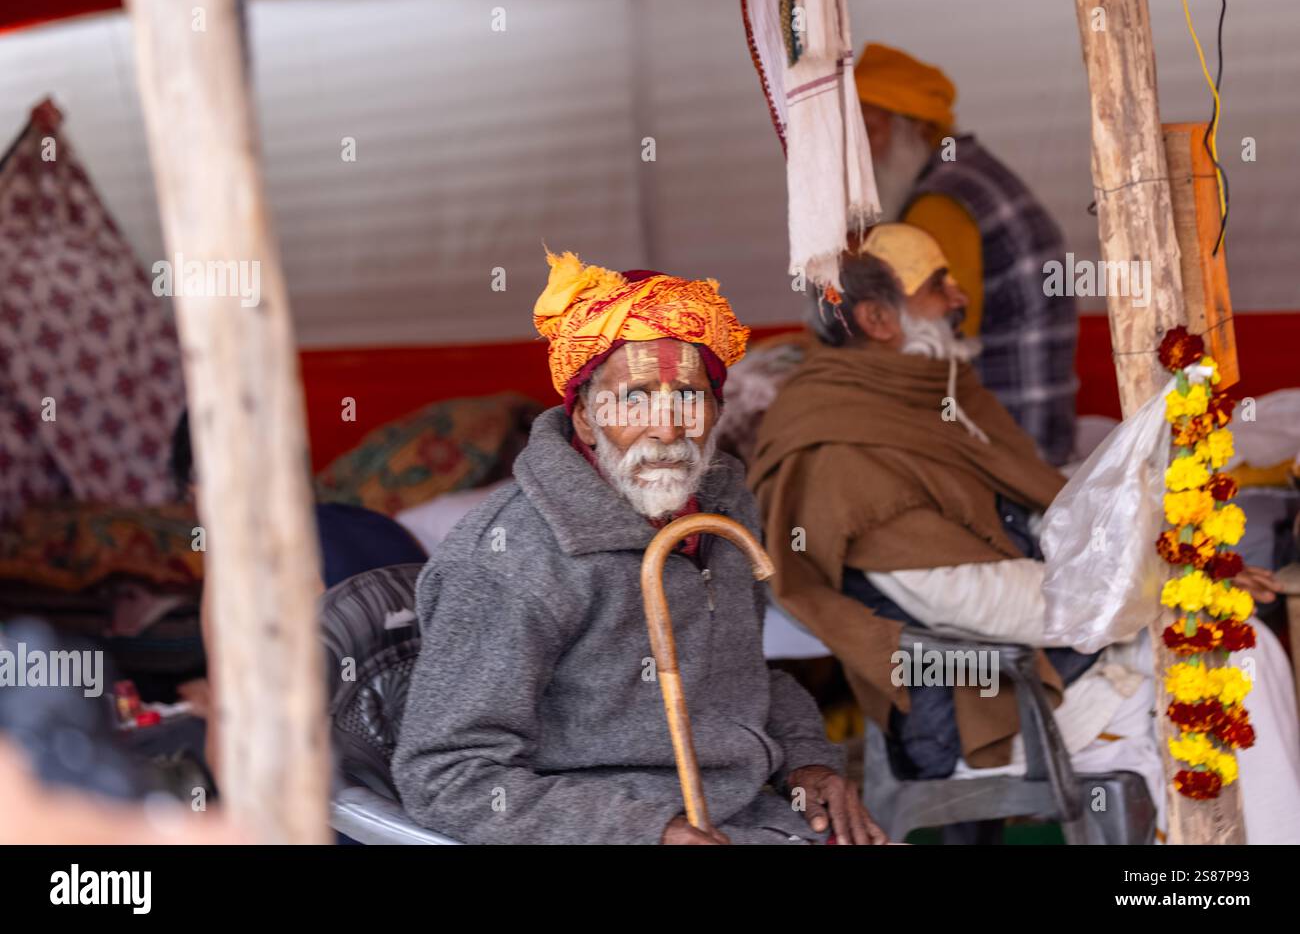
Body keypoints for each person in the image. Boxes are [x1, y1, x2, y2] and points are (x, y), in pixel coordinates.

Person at [749, 224, 1300, 842]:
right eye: (938, 286)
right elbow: (976, 598)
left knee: (1233, 640)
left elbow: (1046, 514)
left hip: (1063, 650)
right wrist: (1163, 590)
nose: (960, 298)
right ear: (879, 318)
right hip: (990, 696)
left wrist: (1188, 571)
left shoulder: (934, 396)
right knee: (1234, 657)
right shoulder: (840, 442)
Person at [392, 251, 885, 845]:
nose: (668, 427)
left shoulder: (721, 509)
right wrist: (645, 830)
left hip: (744, 815)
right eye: (636, 397)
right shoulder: (508, 558)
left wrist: (809, 763)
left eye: (689, 397)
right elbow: (445, 777)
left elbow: (744, 678)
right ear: (582, 416)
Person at [169, 410, 427, 783]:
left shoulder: (241, 557)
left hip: (333, 816)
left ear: (199, 481)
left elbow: (234, 762)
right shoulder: (384, 528)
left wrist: (213, 709)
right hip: (428, 810)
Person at [855, 42, 1077, 465]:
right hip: (1035, 431)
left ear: (915, 129)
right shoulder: (971, 173)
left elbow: (931, 348)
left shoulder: (940, 204)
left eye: (871, 132)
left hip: (1012, 452)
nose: (862, 154)